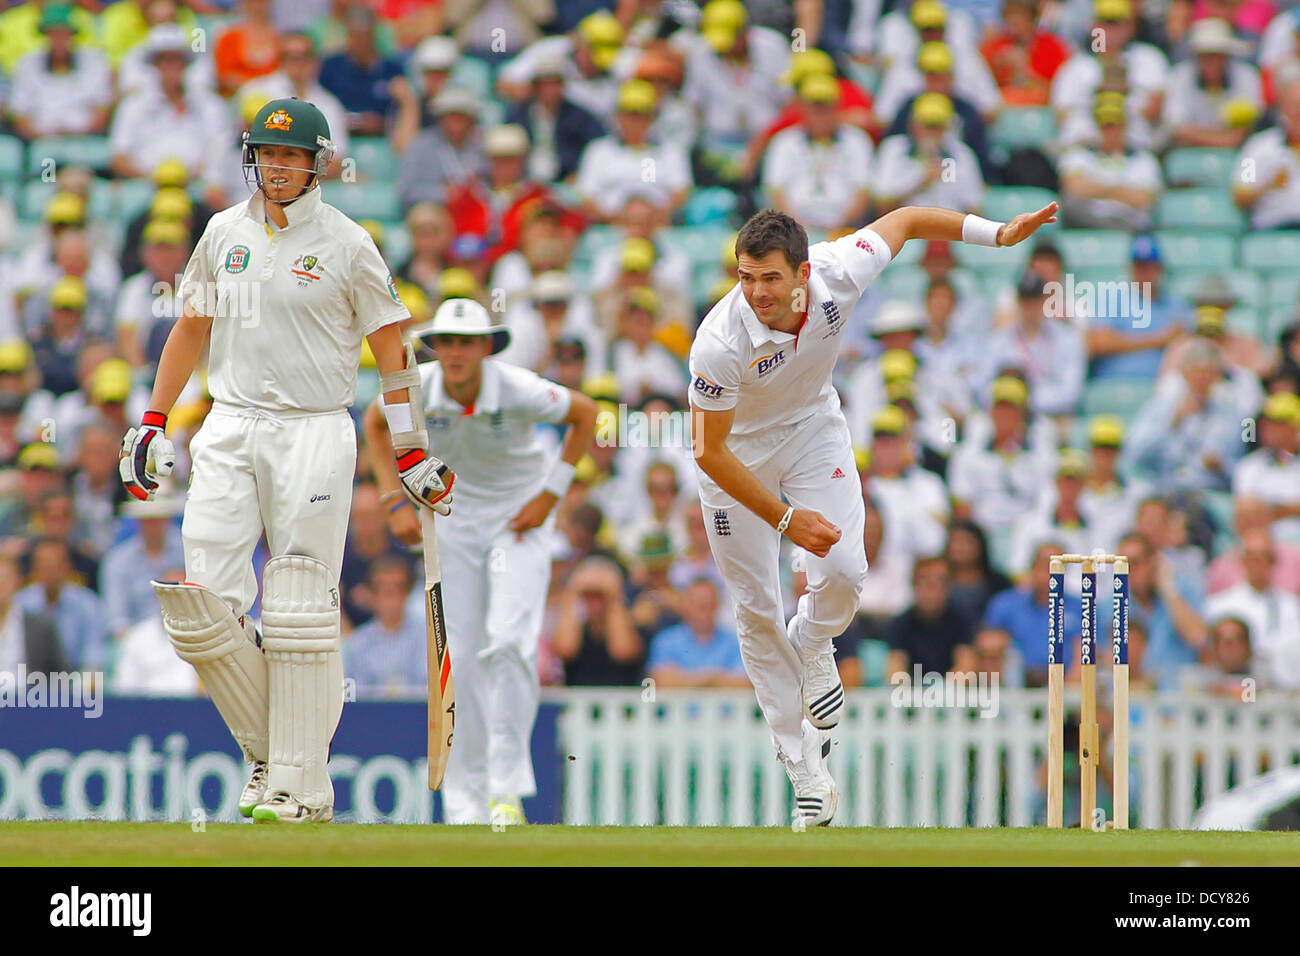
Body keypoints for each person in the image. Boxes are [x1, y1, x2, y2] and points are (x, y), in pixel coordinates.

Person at [119, 98, 454, 825]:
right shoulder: (221, 231)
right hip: (230, 423)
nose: (274, 168)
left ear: (315, 163)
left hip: (313, 429)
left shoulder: (347, 242)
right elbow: (191, 327)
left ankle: (300, 785)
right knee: (202, 608)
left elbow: (393, 352)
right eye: (265, 154)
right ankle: (273, 755)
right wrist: (151, 419)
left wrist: (411, 446)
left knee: (300, 608)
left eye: (289, 156)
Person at [688, 199, 1055, 825]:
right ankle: (801, 759)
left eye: (771, 277)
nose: (756, 292)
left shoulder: (838, 268)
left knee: (846, 572)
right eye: (746, 277)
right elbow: (707, 451)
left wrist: (998, 235)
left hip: (811, 430)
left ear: (804, 273)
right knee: (754, 608)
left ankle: (813, 639)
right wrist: (782, 519)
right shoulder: (719, 342)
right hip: (736, 465)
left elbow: (908, 219)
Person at [363, 297, 597, 827]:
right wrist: (392, 500)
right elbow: (375, 424)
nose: (456, 352)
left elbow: (586, 414)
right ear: (436, 347)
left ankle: (506, 792)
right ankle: (465, 805)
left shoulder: (516, 388)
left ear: (486, 347)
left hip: (519, 520)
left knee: (510, 643)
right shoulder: (416, 387)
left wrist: (550, 497)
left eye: (467, 342)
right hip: (453, 520)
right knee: (461, 658)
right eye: (447, 342)